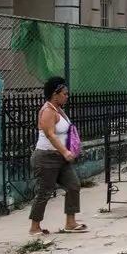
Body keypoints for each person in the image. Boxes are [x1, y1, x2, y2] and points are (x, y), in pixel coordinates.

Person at [29, 76, 86, 236]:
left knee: (73, 186)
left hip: (59, 158)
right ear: (55, 95)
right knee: (44, 192)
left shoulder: (58, 109)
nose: (67, 96)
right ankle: (35, 227)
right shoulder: (47, 111)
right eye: (64, 93)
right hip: (46, 157)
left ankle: (70, 222)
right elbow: (50, 135)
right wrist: (66, 152)